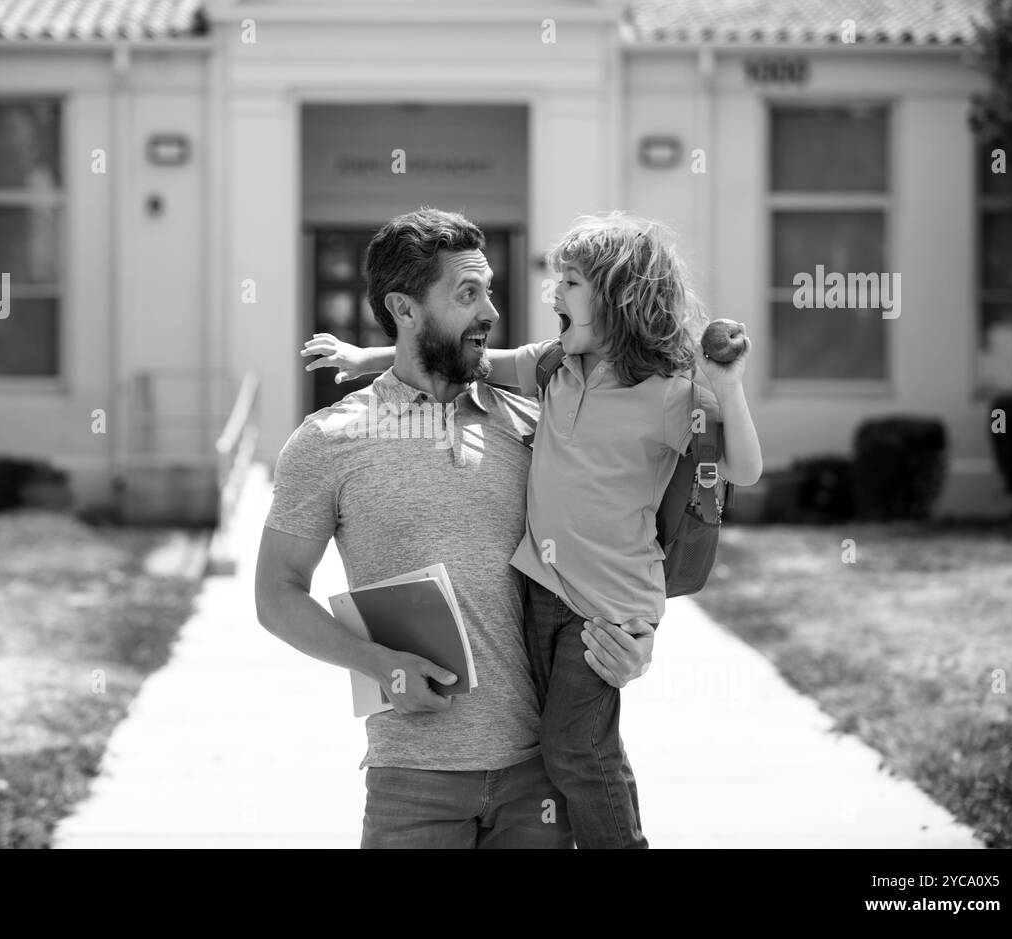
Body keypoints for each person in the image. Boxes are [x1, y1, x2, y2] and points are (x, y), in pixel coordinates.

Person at [302, 211, 764, 848]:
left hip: (604, 609)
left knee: (575, 746)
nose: (549, 296)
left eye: (569, 283)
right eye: (468, 293)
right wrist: (365, 356)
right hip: (542, 599)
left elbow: (739, 467)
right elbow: (480, 360)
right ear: (404, 307)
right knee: (566, 741)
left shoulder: (659, 395)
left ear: (618, 297)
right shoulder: (553, 373)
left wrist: (728, 388)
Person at [255, 208, 654, 849]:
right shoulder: (328, 440)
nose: (491, 311)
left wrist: (633, 640)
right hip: (411, 782)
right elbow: (276, 594)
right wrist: (378, 664)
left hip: (537, 781)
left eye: (489, 290)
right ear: (404, 308)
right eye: (468, 294)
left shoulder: (539, 425)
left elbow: (616, 542)